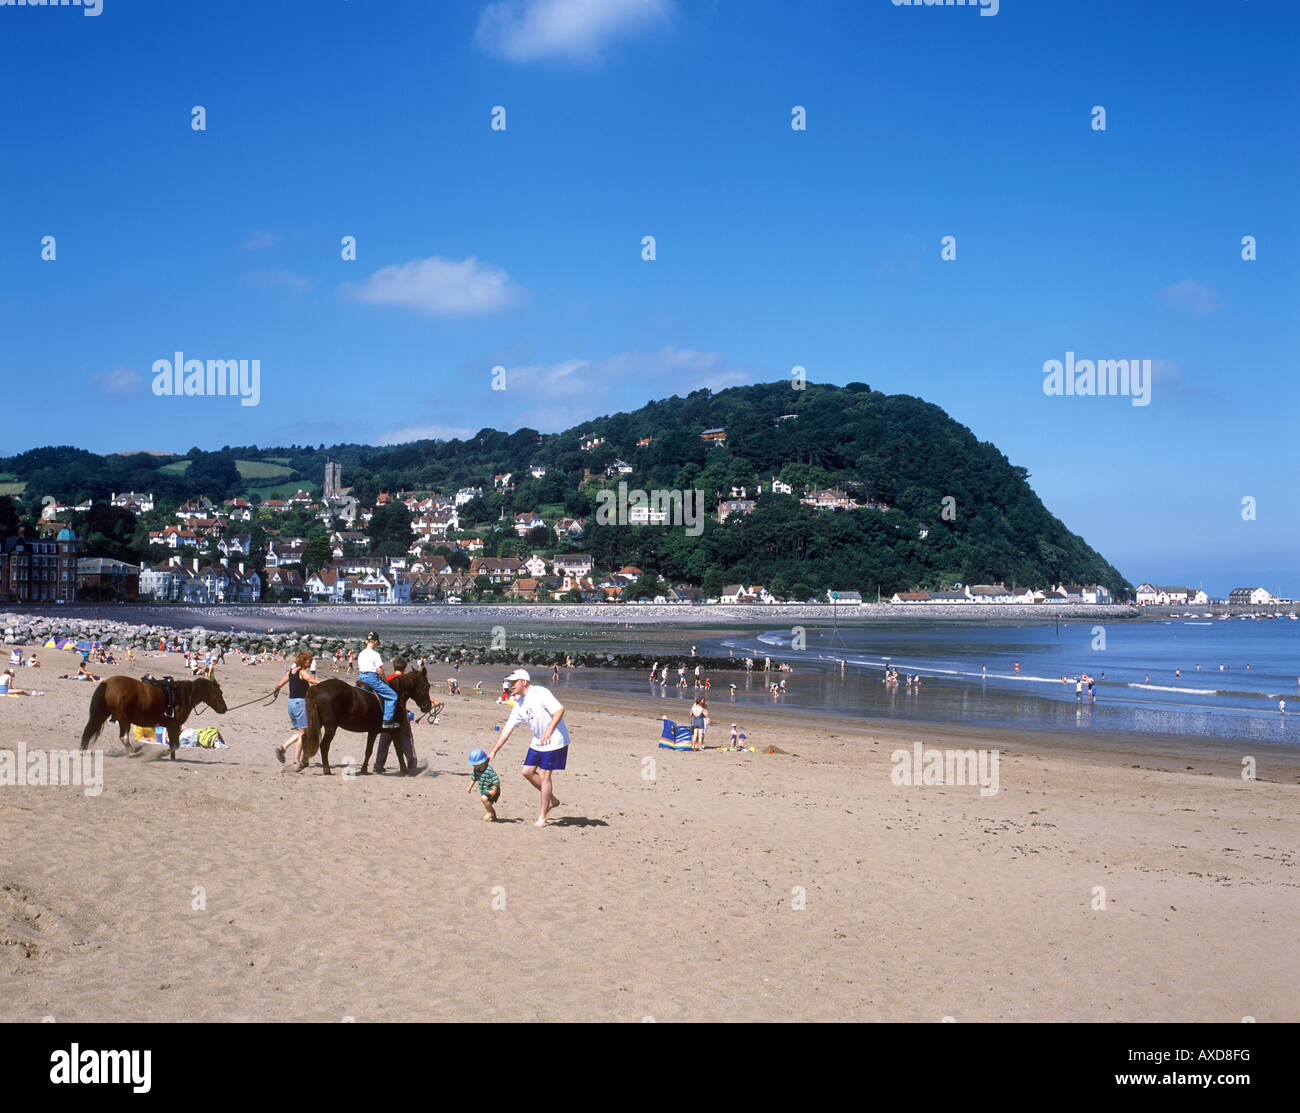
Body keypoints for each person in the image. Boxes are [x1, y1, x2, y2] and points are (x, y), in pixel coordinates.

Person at [488, 669, 569, 827]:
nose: (511, 685)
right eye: (510, 683)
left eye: (514, 682)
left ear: (524, 681)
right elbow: (507, 729)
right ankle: (551, 799)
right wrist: (494, 751)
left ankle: (543, 817)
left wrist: (549, 730)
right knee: (527, 771)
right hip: (539, 740)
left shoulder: (540, 693)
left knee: (545, 775)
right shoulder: (519, 703)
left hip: (555, 738)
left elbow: (560, 710)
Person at [273, 650, 319, 765]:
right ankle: (296, 760)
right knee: (303, 733)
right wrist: (322, 683)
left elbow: (279, 684)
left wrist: (276, 689)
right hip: (300, 704)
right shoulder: (302, 672)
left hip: (291, 704)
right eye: (309, 660)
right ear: (303, 661)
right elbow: (310, 680)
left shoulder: (290, 672)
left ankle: (283, 748)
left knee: (301, 731)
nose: (310, 662)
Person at [357, 632, 400, 730]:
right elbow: (380, 670)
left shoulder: (361, 653)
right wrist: (385, 680)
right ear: (376, 642)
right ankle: (387, 720)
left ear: (367, 641)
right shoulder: (375, 654)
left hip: (361, 678)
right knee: (393, 696)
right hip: (371, 678)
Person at [467, 748, 501, 821]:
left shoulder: (489, 770)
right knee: (488, 803)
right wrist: (470, 787)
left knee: (484, 799)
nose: (474, 766)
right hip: (485, 789)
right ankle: (494, 817)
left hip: (493, 789)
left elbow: (496, 781)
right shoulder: (476, 769)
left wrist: (494, 790)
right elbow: (474, 778)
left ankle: (489, 813)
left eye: (475, 764)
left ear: (483, 762)